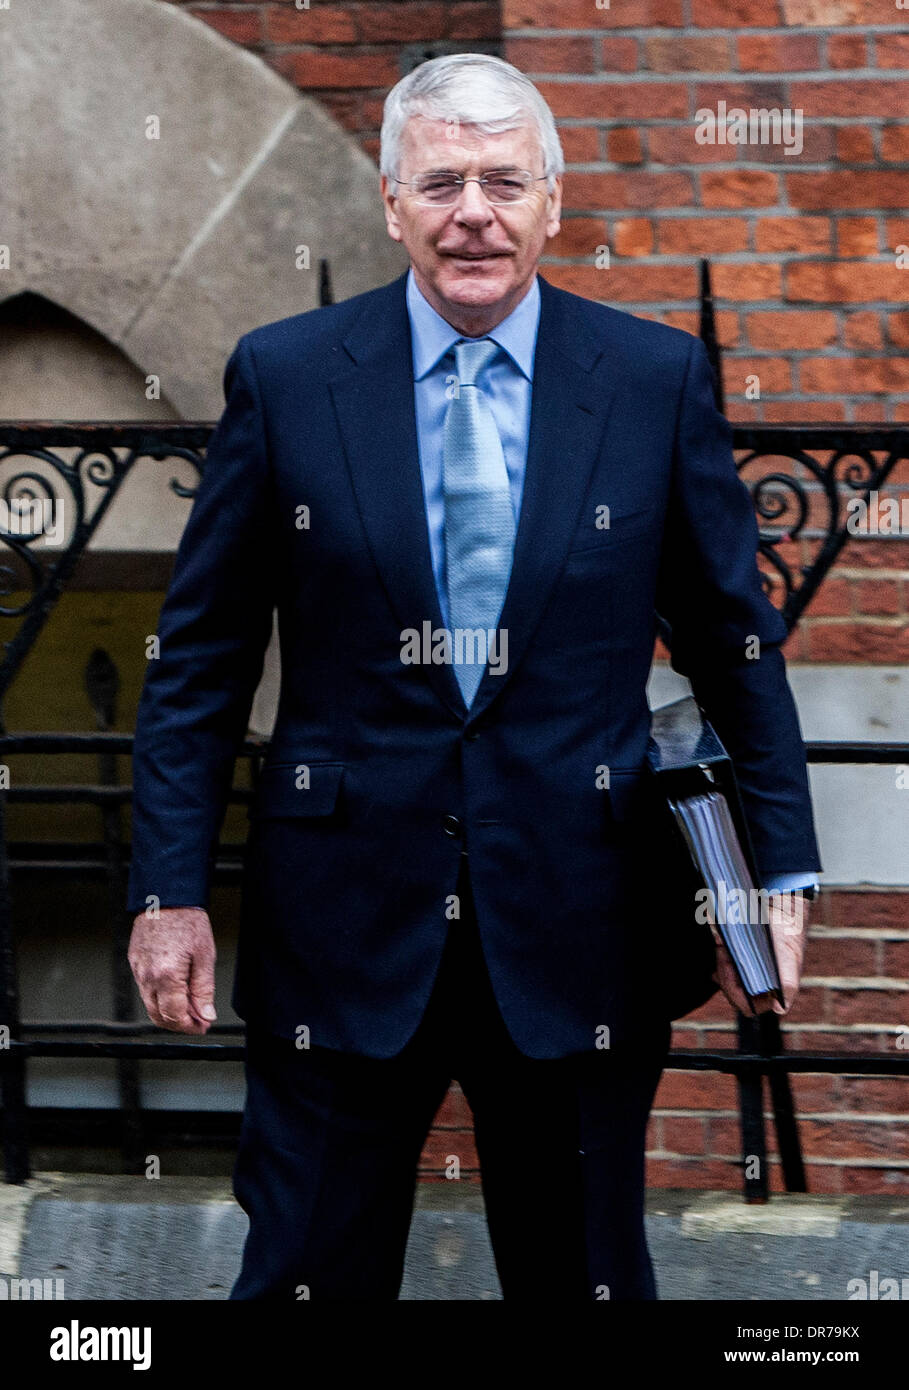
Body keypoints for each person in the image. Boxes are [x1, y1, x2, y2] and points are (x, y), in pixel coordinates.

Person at [126, 53, 821, 1301]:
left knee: (586, 1278)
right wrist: (168, 888)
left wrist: (778, 866)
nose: (474, 213)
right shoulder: (286, 377)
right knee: (302, 1278)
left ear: (554, 201)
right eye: (440, 180)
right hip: (342, 924)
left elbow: (733, 641)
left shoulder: (652, 382)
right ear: (392, 203)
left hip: (580, 920)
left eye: (505, 180)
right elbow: (201, 660)